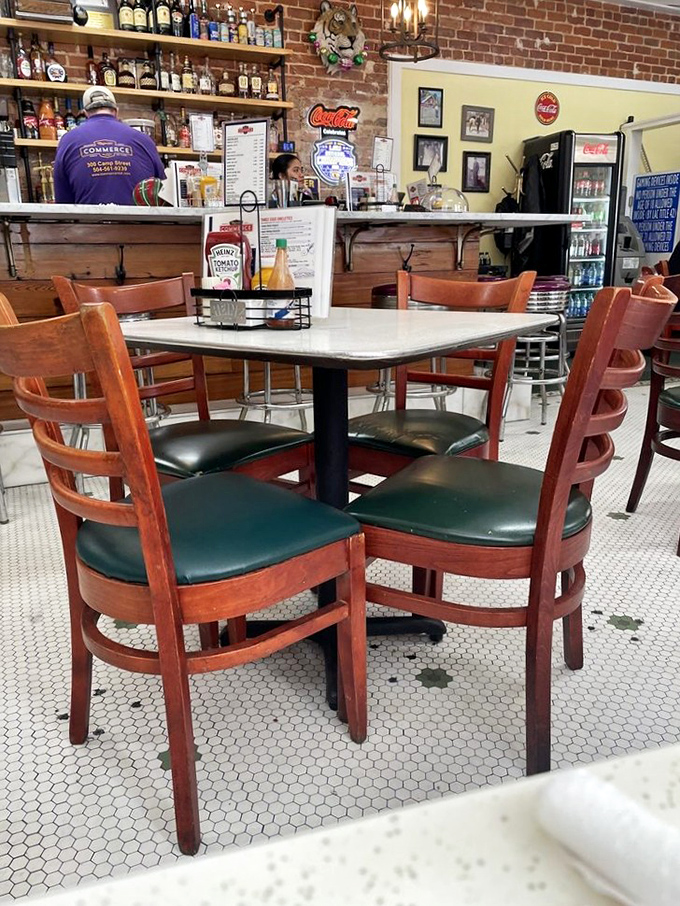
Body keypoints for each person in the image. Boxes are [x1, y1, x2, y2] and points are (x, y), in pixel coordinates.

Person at [54, 87, 165, 205]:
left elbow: (63, 203)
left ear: (86, 113)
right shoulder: (143, 140)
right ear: (116, 111)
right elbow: (164, 191)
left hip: (89, 222)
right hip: (140, 222)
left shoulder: (68, 140)